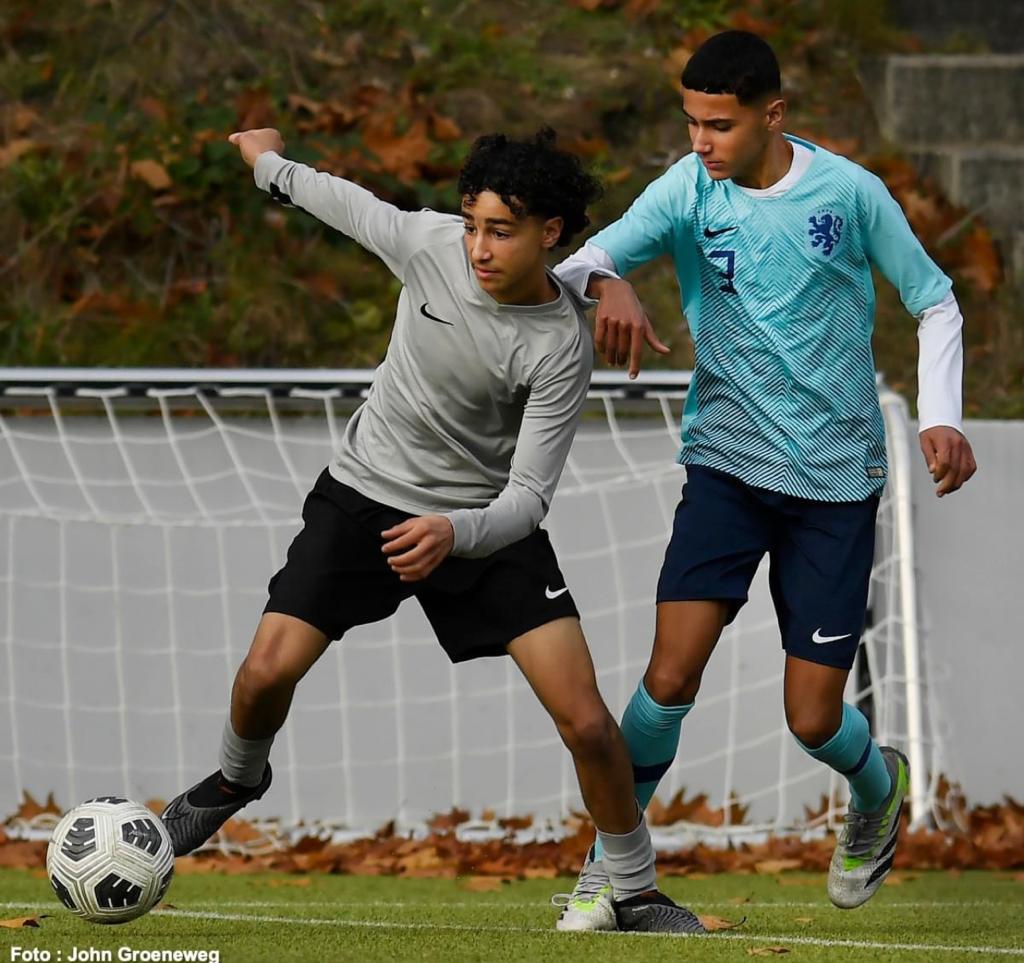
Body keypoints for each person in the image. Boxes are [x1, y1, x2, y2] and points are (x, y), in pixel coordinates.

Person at [159, 125, 704, 935]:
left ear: (551, 234)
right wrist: (266, 160)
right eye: (472, 222)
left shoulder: (559, 343)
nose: (478, 246)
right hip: (361, 499)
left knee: (588, 721)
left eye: (501, 230)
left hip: (481, 523)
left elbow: (529, 497)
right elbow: (339, 202)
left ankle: (634, 886)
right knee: (263, 674)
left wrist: (456, 531)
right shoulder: (429, 245)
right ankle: (237, 779)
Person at [552, 29, 977, 925]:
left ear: (772, 115)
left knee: (814, 717)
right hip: (727, 466)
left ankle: (876, 786)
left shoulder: (848, 193)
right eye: (691, 122)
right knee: (668, 677)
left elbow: (934, 299)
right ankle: (609, 864)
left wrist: (941, 414)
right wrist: (608, 285)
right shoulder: (686, 187)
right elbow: (582, 258)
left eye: (719, 124)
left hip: (834, 480)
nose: (701, 141)